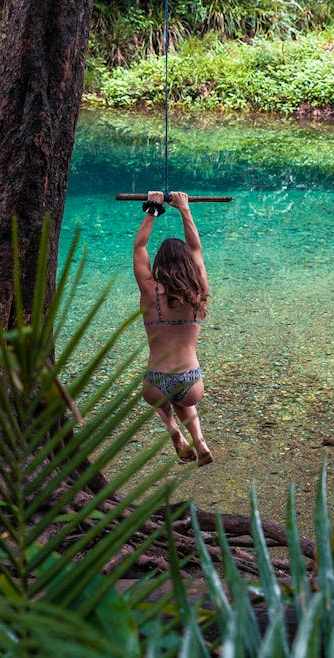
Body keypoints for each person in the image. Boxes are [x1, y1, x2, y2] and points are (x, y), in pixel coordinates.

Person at [133, 190, 213, 466]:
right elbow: (196, 250)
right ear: (188, 265)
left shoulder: (150, 290)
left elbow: (139, 249)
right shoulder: (198, 290)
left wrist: (153, 210)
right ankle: (200, 442)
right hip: (191, 381)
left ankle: (173, 430)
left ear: (160, 264)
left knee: (165, 400)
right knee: (183, 399)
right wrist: (185, 209)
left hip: (156, 381)